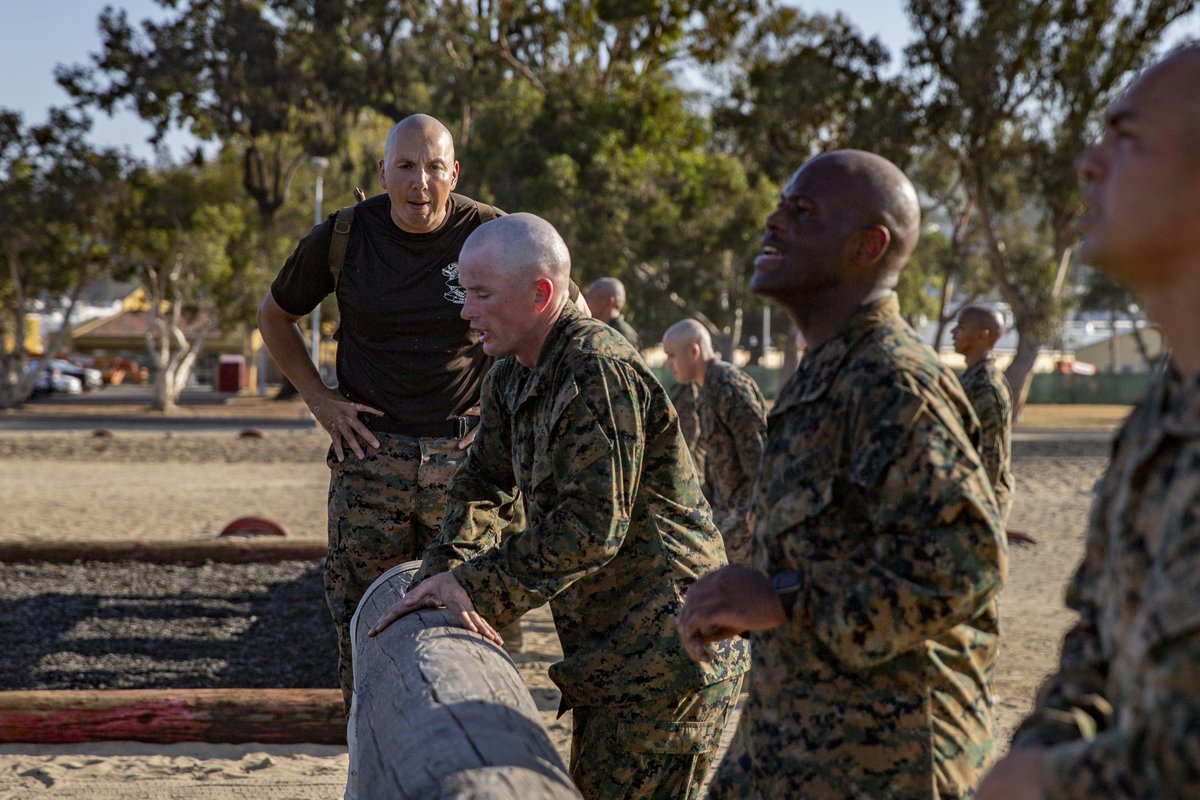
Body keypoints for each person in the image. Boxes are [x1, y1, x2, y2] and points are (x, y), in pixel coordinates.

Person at [368, 213, 750, 799]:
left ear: (540, 293)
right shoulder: (513, 374)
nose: (465, 310)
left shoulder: (597, 371)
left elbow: (594, 527)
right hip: (612, 657)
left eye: (480, 294)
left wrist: (475, 588)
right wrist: (443, 572)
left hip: (669, 654)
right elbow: (483, 484)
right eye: (462, 292)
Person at [676, 150, 1007, 798]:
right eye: (779, 206)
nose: (773, 224)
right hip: (798, 743)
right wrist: (754, 593)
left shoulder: (893, 382)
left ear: (868, 245)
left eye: (801, 212)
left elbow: (965, 559)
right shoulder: (826, 374)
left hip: (890, 761)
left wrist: (788, 598)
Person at [978, 45, 1200, 800]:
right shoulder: (1161, 415)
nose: (1088, 163)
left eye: (1126, 137)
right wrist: (1038, 754)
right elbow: (1096, 649)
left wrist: (1055, 784)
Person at [257, 114, 517, 711]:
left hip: (467, 467)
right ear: (382, 172)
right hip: (369, 460)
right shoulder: (345, 236)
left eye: (432, 168)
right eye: (405, 167)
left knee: (474, 616)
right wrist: (320, 402)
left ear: (454, 173)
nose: (418, 182)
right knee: (362, 624)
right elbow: (274, 316)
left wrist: (508, 406)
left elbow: (561, 311)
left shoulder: (491, 234)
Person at [662, 318, 767, 564]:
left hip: (745, 517)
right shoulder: (706, 389)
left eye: (672, 355)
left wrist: (758, 509)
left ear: (694, 351)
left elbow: (759, 453)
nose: (668, 364)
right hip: (726, 510)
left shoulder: (727, 385)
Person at [951, 304, 1015, 523]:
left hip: (981, 503)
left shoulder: (986, 386)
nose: (953, 333)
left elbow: (991, 457)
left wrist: (975, 507)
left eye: (961, 327)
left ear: (982, 335)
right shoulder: (972, 379)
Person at [585, 276, 642, 350]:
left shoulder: (622, 334)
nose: (586, 300)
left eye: (591, 296)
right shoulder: (597, 328)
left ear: (609, 301)